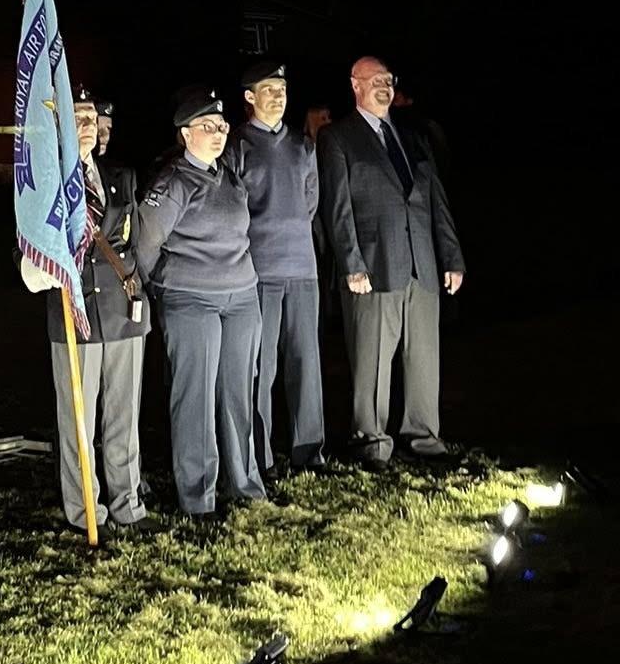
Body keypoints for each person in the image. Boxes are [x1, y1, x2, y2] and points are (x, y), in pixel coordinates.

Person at [319, 57, 466, 467]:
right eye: (375, 80)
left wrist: (451, 256)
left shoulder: (413, 137)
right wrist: (351, 262)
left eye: (388, 79)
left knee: (424, 358)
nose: (384, 86)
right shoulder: (338, 138)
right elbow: (337, 207)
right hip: (373, 265)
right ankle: (372, 440)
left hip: (422, 264)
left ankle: (424, 436)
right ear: (355, 85)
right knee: (372, 361)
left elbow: (437, 201)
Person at [138, 91, 265, 519]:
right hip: (191, 299)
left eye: (222, 126)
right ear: (185, 134)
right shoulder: (172, 182)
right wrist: (164, 288)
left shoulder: (227, 174)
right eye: (208, 127)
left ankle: (245, 483)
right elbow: (146, 244)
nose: (218, 133)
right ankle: (198, 495)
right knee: (195, 399)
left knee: (237, 394)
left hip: (241, 296)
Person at [49, 90, 150, 531]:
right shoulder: (46, 182)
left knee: (124, 416)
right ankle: (86, 509)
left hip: (122, 308)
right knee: (79, 422)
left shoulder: (120, 175)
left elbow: (137, 242)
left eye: (90, 116)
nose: (87, 124)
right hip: (75, 310)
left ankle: (128, 504)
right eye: (77, 117)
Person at [234, 61, 325, 474]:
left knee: (306, 363)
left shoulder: (302, 146)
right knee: (261, 369)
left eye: (282, 88)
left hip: (302, 269)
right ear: (250, 97)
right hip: (259, 273)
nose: (278, 95)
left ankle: (309, 451)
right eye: (268, 88)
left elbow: (309, 204)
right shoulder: (238, 147)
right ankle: (261, 455)